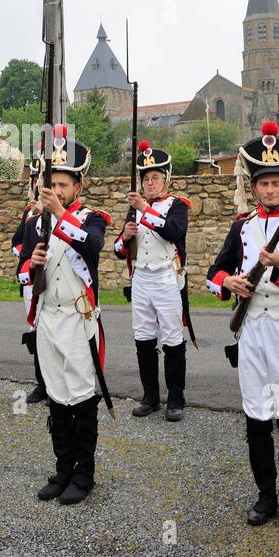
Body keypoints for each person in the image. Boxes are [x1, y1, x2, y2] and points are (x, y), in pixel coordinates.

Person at [207, 122, 279, 532]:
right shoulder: (241, 227)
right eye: (264, 184)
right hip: (253, 327)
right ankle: (265, 495)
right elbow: (211, 273)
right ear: (253, 187)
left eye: (277, 183)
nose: (270, 191)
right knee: (257, 417)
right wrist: (229, 283)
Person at [17, 127, 111, 505]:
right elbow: (22, 270)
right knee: (56, 397)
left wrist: (60, 216)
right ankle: (62, 468)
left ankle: (84, 474)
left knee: (81, 397)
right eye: (52, 183)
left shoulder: (91, 218)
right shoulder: (35, 223)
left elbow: (95, 247)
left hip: (78, 319)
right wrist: (31, 265)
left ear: (78, 187)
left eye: (63, 185)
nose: (56, 191)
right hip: (48, 317)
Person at [114, 141, 191, 422]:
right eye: (146, 178)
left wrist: (145, 208)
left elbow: (173, 232)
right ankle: (150, 396)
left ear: (166, 179)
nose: (149, 182)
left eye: (155, 178)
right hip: (141, 278)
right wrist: (123, 238)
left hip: (166, 278)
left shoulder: (177, 206)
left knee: (172, 338)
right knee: (143, 338)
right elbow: (117, 249)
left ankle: (176, 398)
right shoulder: (135, 210)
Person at [13, 160, 47, 404]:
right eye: (35, 180)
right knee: (36, 330)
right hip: (32, 278)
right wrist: (26, 255)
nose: (36, 184)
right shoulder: (28, 213)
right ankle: (41, 382)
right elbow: (17, 242)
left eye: (40, 180)